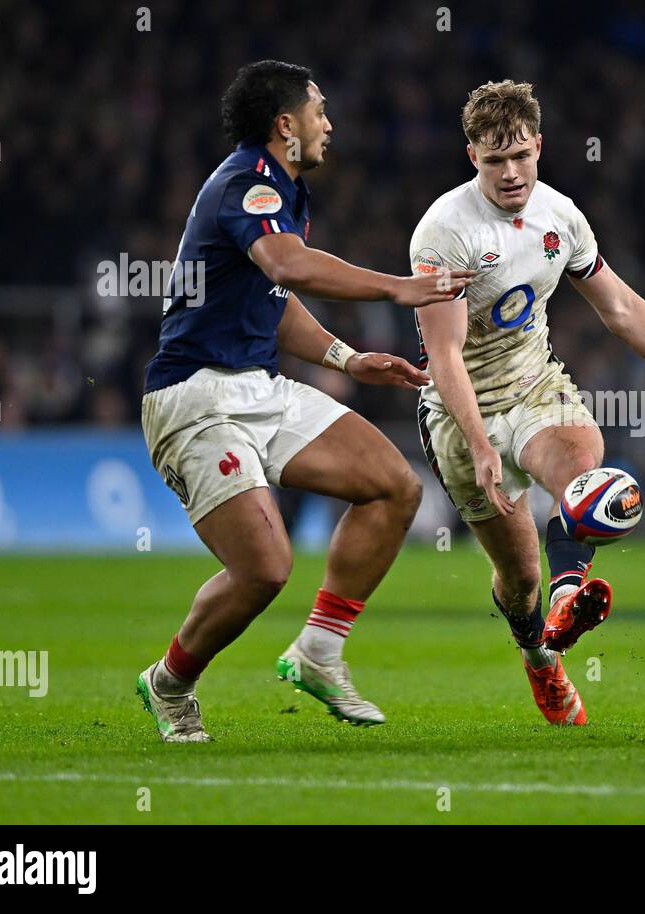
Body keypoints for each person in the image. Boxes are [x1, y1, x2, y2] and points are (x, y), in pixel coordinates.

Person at [136, 60, 473, 742]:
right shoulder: (247, 181)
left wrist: (348, 358)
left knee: (392, 487)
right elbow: (287, 266)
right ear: (284, 125)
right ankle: (170, 681)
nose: (330, 124)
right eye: (319, 111)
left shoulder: (285, 193)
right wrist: (396, 287)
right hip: (195, 398)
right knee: (265, 569)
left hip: (259, 386)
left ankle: (319, 650)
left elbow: (274, 299)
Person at [409, 80, 645, 724]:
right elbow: (442, 358)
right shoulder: (444, 232)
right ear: (472, 157)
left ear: (539, 146)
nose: (510, 172)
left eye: (520, 155)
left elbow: (622, 309)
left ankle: (571, 588)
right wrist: (477, 444)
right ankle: (541, 658)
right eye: (494, 160)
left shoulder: (561, 216)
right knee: (517, 580)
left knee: (588, 474)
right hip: (460, 410)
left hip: (533, 385)